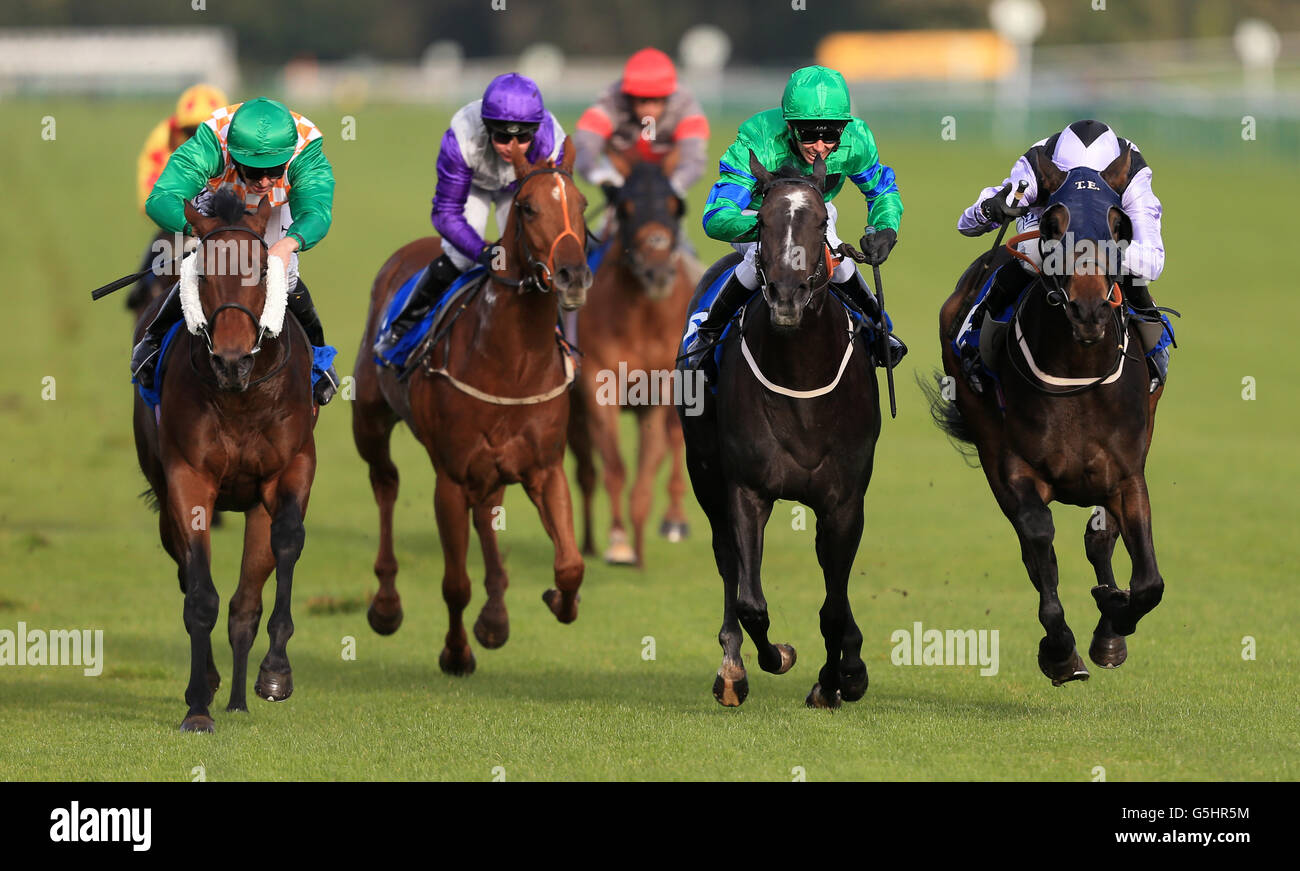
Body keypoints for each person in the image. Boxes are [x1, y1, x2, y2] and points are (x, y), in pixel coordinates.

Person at [685, 65, 905, 373]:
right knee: (758, 256)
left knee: (836, 256)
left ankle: (880, 327)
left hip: (813, 214)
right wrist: (772, 229)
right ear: (789, 126)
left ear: (843, 127)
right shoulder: (758, 138)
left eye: (830, 134)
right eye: (808, 134)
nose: (819, 146)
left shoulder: (858, 139)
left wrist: (885, 228)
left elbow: (882, 192)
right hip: (758, 215)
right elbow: (718, 216)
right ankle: (707, 334)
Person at [131, 97, 339, 404]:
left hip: (275, 208)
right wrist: (201, 231)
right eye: (255, 172)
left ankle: (319, 356)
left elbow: (316, 212)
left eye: (275, 170)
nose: (265, 180)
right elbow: (160, 199)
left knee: (286, 272)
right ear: (234, 154)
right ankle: (152, 340)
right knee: (202, 266)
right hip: (219, 198)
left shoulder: (305, 148)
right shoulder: (213, 140)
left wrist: (289, 242)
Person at [958, 119, 1168, 387]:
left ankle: (1155, 346)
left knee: (1136, 275)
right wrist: (989, 209)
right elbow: (966, 225)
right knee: (1032, 255)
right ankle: (975, 338)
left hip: (1104, 236)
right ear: (1055, 175)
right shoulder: (1037, 164)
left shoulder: (1132, 174)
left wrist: (1094, 251)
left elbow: (1153, 261)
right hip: (1053, 227)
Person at [374, 73, 567, 363]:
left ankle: (560, 335)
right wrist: (482, 251)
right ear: (486, 127)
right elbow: (445, 212)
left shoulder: (552, 142)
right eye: (502, 135)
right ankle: (402, 327)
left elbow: (554, 205)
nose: (512, 147)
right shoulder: (462, 136)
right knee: (461, 258)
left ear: (536, 131)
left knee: (537, 257)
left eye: (522, 136)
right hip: (473, 185)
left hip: (520, 189)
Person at [574, 47, 709, 202]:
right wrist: (596, 175)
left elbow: (694, 160)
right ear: (629, 96)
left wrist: (673, 186)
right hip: (621, 167)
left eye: (657, 100)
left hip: (667, 169)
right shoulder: (612, 99)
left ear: (668, 97)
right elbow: (586, 142)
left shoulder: (685, 103)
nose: (649, 109)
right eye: (642, 100)